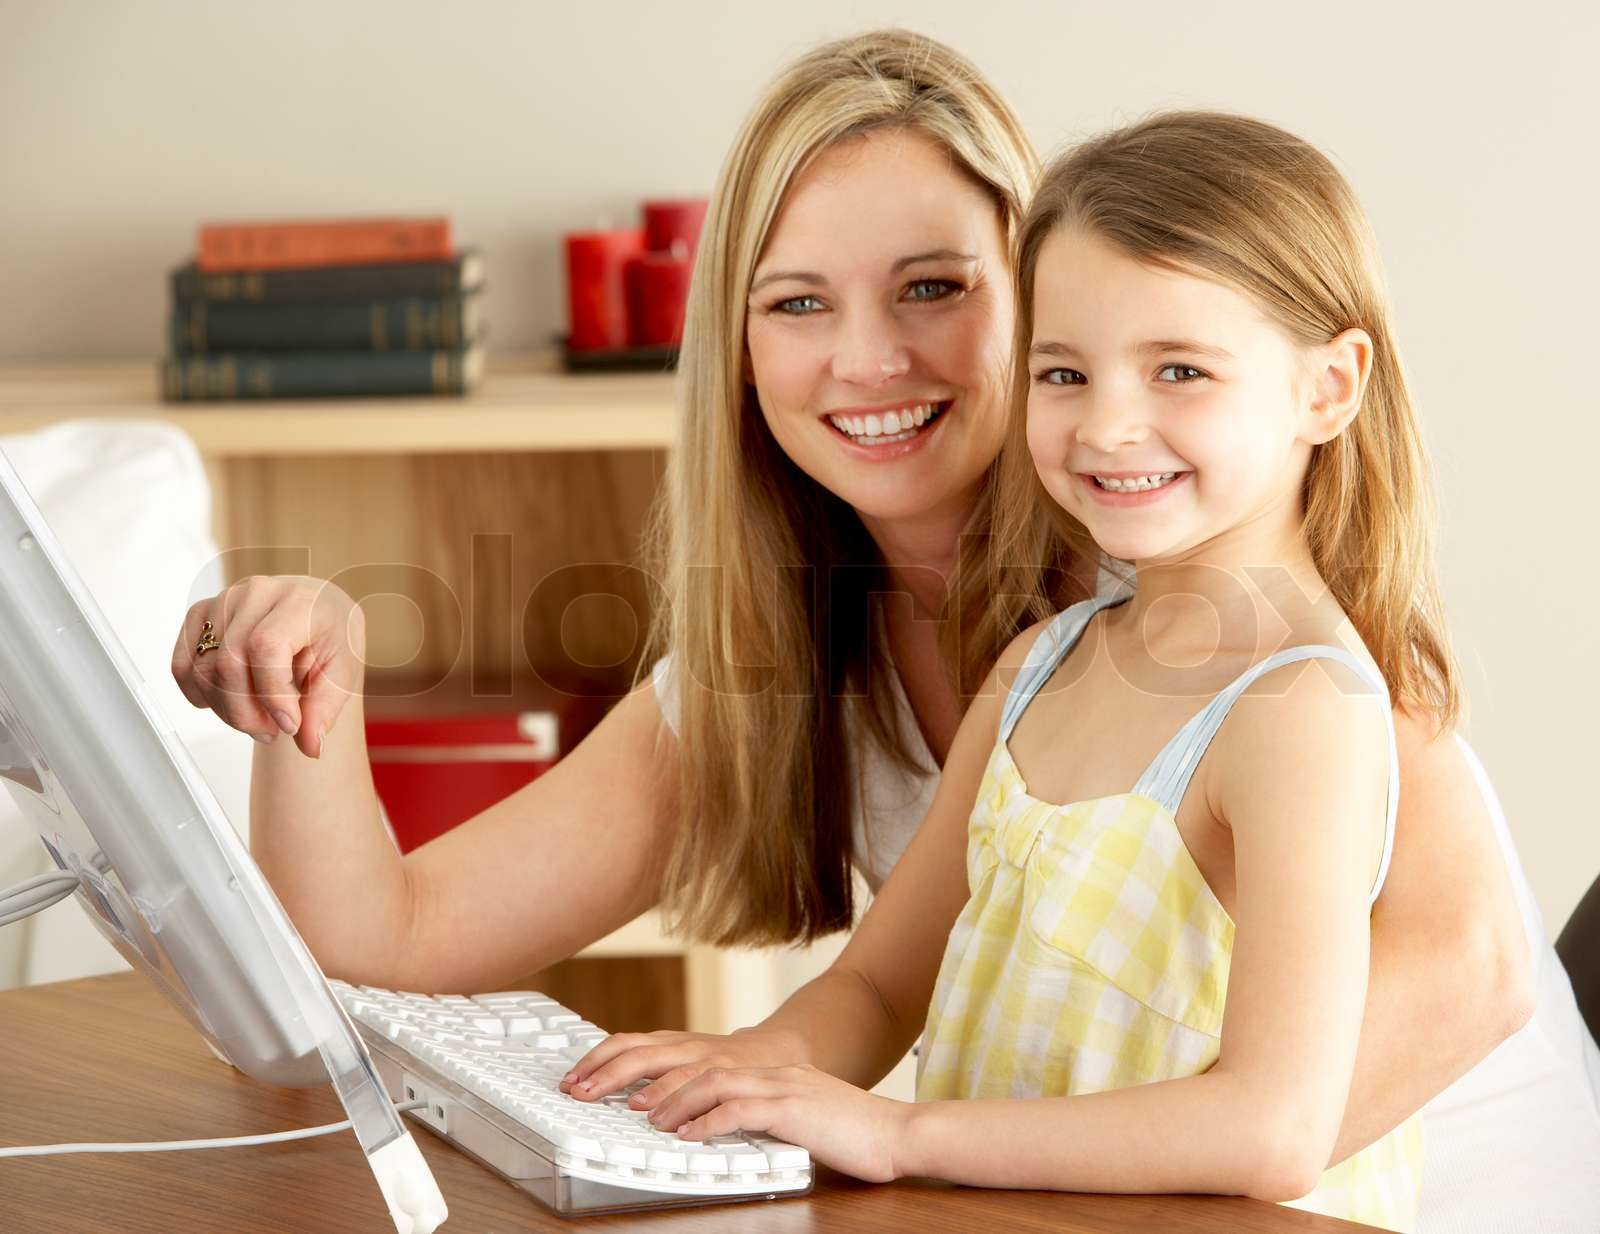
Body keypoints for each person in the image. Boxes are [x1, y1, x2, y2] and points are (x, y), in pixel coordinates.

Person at [171, 31, 1569, 1228]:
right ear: (739, 347)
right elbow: (383, 937)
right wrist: (312, 685)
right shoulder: (850, 660)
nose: (867, 359)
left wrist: (938, 1160)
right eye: (796, 303)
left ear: (1036, 287)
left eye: (935, 286)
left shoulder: (1216, 590)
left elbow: (1470, 973)